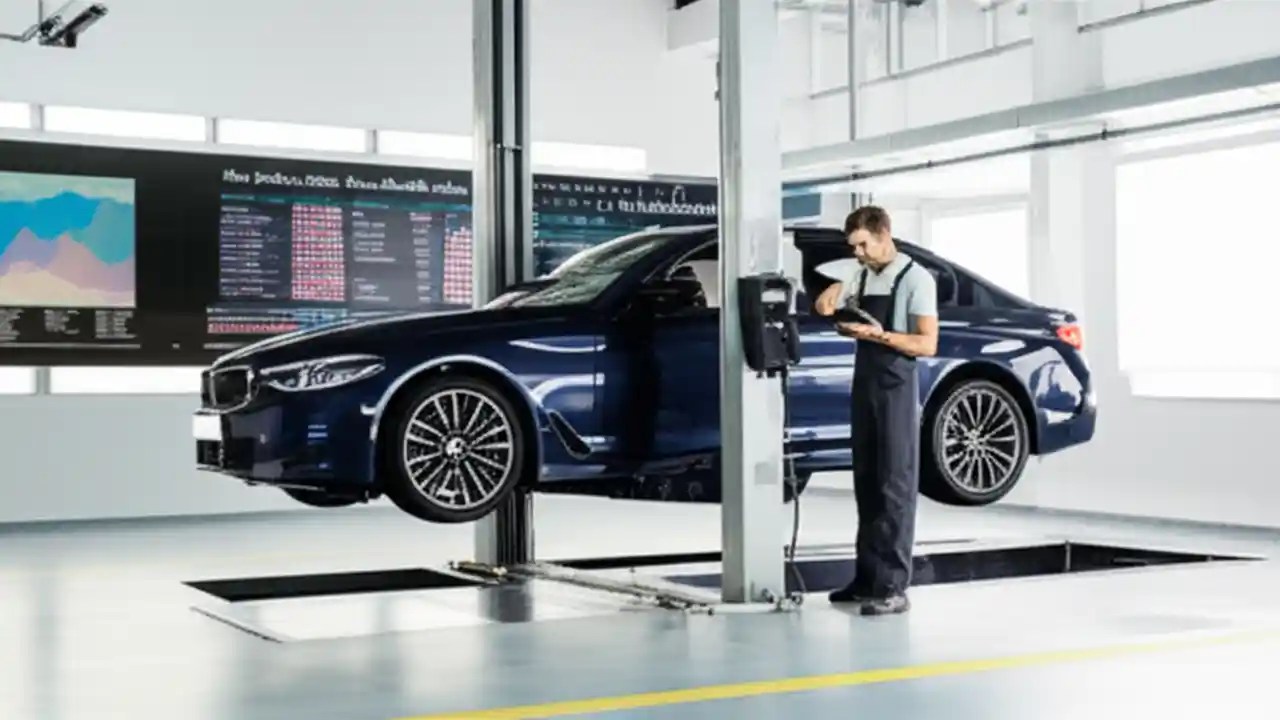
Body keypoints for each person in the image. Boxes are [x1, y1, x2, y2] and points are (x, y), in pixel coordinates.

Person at [813, 206, 938, 616]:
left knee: (894, 485)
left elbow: (926, 344)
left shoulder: (915, 279)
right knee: (867, 481)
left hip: (897, 387)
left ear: (885, 234)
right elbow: (826, 307)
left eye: (864, 245)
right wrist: (827, 299)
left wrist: (879, 335)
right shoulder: (862, 275)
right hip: (865, 384)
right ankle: (866, 578)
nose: (859, 254)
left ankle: (893, 586)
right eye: (854, 248)